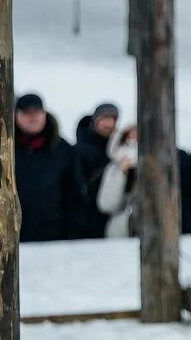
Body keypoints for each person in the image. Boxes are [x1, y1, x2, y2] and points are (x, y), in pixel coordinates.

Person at [14, 92, 85, 243]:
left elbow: (75, 194)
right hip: (14, 237)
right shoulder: (4, 150)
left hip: (55, 238)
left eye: (36, 112)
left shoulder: (64, 150)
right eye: (27, 113)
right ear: (16, 115)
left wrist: (73, 234)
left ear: (44, 114)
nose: (33, 117)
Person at [72, 102, 118, 238]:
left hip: (109, 214)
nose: (109, 123)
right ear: (95, 121)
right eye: (105, 118)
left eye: (113, 119)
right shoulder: (77, 151)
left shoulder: (118, 151)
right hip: (83, 215)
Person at [96, 124, 138, 238]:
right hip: (119, 233)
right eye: (127, 139)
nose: (132, 142)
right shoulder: (113, 169)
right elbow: (106, 205)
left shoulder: (156, 168)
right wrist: (121, 174)